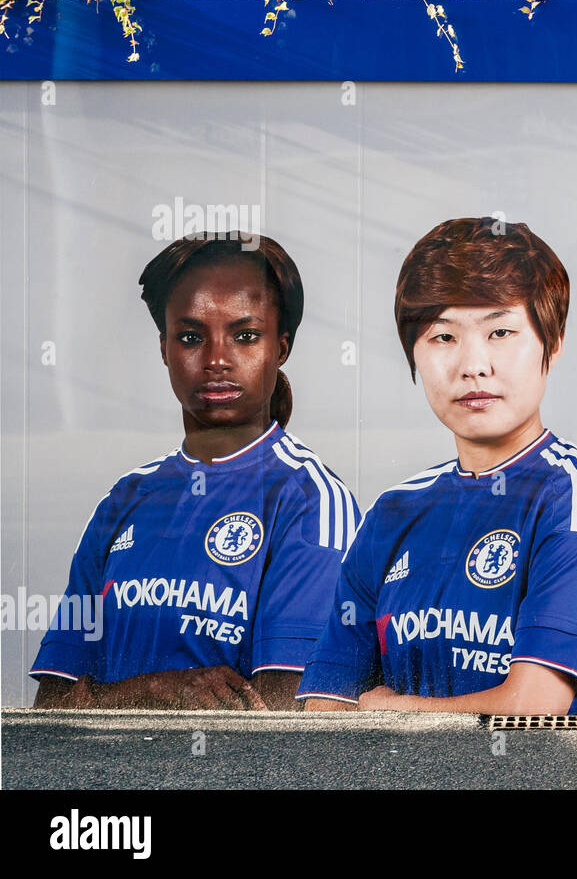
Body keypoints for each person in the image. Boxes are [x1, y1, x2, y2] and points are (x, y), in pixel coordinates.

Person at [299, 217, 577, 714]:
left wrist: (398, 712)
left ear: (552, 346)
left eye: (501, 331)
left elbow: (534, 706)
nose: (473, 364)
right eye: (443, 337)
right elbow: (326, 706)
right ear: (413, 355)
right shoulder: (393, 512)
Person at [30, 233, 359, 710]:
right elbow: (52, 708)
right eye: (190, 337)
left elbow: (290, 720)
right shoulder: (126, 499)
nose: (217, 360)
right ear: (164, 348)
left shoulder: (309, 498)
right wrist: (155, 692)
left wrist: (106, 701)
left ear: (281, 347)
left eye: (245, 336)